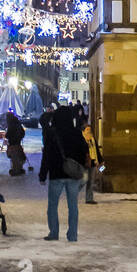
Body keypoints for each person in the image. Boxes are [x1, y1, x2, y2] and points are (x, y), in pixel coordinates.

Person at [39, 103, 90, 242]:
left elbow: (47, 156)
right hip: (72, 174)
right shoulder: (76, 133)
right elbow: (83, 151)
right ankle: (72, 235)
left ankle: (54, 233)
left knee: (53, 205)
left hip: (56, 174)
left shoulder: (52, 134)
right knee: (73, 206)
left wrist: (42, 175)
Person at [82, 119, 104, 203]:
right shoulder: (82, 139)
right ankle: (73, 191)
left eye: (89, 129)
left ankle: (89, 199)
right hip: (85, 162)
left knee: (90, 181)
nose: (89, 131)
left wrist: (101, 160)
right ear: (83, 130)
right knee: (84, 180)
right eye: (87, 129)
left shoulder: (93, 138)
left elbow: (97, 150)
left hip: (93, 162)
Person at [4, 111, 27, 176]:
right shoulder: (18, 123)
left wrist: (6, 136)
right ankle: (19, 169)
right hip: (18, 143)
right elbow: (22, 132)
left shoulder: (11, 124)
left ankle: (16, 170)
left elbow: (8, 134)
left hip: (13, 144)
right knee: (19, 156)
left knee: (14, 158)